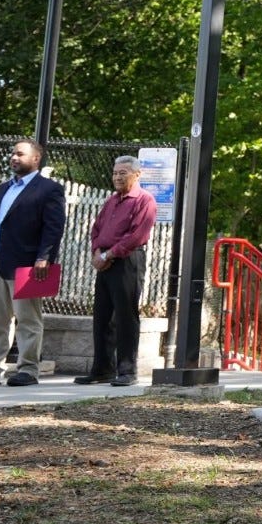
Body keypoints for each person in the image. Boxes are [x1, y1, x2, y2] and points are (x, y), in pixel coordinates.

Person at [0, 138, 65, 387]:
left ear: (36, 159)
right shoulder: (2, 189)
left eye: (20, 154)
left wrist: (44, 258)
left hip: (28, 265)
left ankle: (28, 370)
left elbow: (53, 228)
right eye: (13, 153)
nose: (14, 157)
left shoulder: (48, 189)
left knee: (28, 319)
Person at [77, 155, 158, 387]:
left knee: (125, 316)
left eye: (123, 173)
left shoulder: (145, 200)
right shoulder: (112, 200)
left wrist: (109, 254)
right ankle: (102, 369)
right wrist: (96, 252)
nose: (117, 177)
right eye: (115, 173)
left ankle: (127, 370)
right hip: (104, 261)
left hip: (126, 261)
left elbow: (137, 236)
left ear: (137, 174)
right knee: (102, 317)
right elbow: (96, 229)